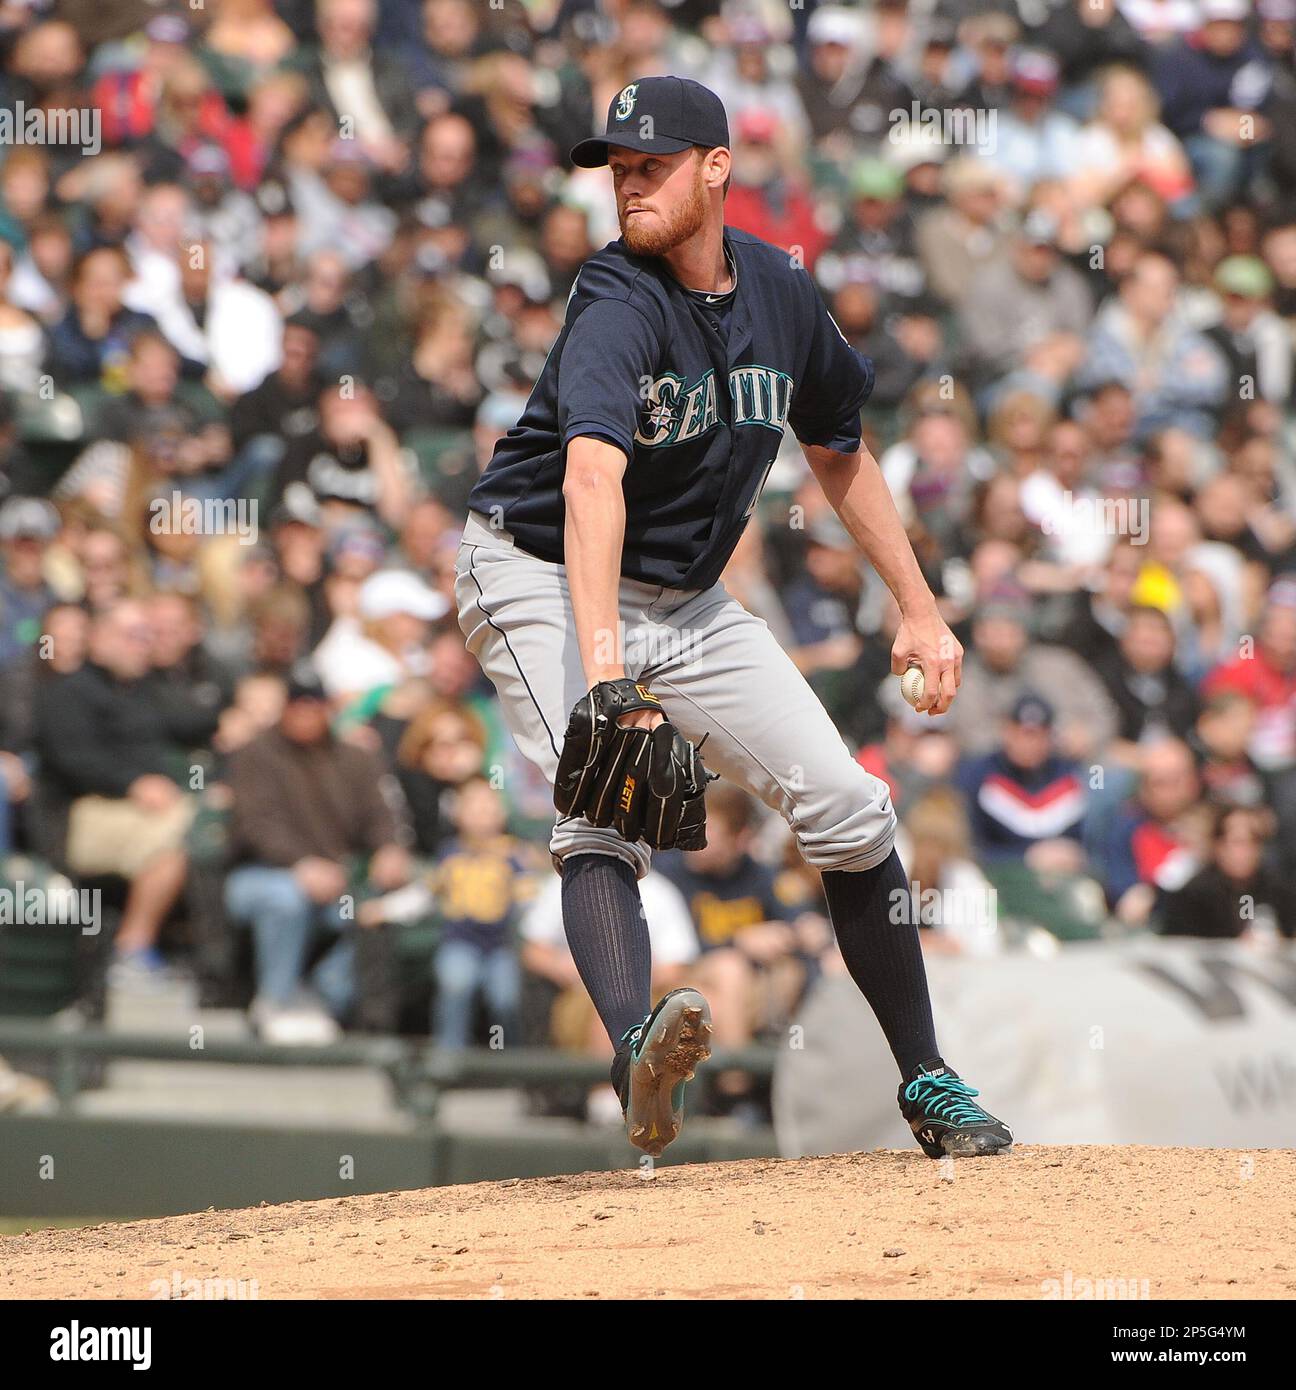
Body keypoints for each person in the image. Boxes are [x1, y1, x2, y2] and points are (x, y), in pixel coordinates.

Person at [455, 77, 1011, 1160]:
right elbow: (588, 488)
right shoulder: (616, 300)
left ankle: (929, 1079)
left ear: (718, 168)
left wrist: (917, 606)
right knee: (601, 801)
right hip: (537, 567)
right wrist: (609, 678)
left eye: (651, 164)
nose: (630, 184)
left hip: (690, 596)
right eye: (618, 169)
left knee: (851, 807)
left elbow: (840, 449)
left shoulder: (781, 292)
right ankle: (633, 1051)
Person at [223, 664, 411, 1043]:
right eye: (299, 705)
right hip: (259, 877)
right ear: (286, 708)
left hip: (337, 883)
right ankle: (275, 1000)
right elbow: (255, 826)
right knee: (287, 896)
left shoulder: (354, 757)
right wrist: (300, 864)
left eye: (315, 705)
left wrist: (389, 848)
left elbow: (379, 815)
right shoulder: (254, 753)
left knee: (391, 906)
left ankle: (324, 992)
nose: (307, 714)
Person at [35, 600, 216, 982]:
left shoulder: (144, 690)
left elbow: (193, 720)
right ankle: (131, 950)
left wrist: (242, 714)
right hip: (81, 815)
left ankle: (210, 962)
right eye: (133, 636)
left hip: (148, 809)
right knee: (176, 838)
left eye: (147, 636)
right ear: (99, 639)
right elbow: (73, 759)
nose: (143, 645)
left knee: (210, 825)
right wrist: (132, 783)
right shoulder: (68, 690)